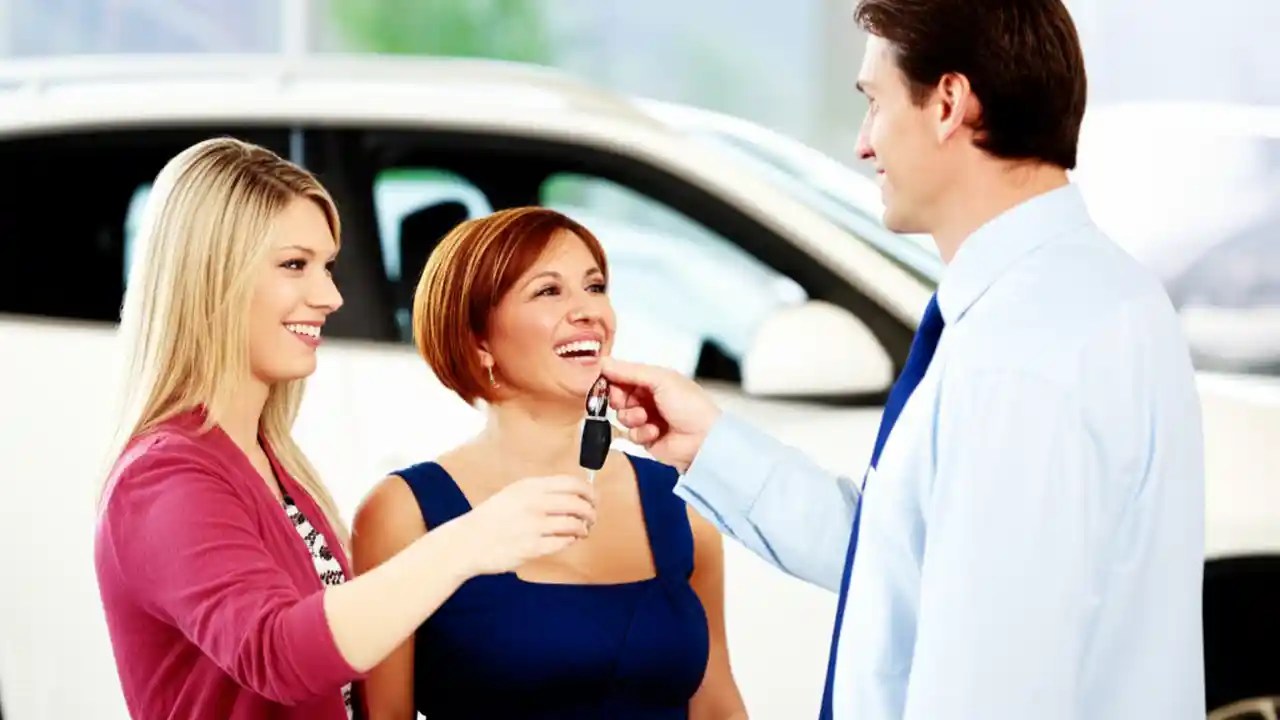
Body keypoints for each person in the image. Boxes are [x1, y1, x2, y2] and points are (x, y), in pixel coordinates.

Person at [598, 1, 1206, 718]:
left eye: (874, 102)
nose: (863, 143)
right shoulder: (1098, 295)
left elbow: (988, 691)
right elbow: (916, 560)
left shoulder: (1019, 355)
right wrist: (714, 450)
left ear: (948, 102)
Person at [93, 138, 596, 720]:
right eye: (294, 265)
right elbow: (278, 654)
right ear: (212, 276)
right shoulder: (165, 476)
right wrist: (469, 542)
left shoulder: (267, 460)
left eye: (327, 266)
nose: (330, 296)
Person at [352, 207, 747, 720]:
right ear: (479, 342)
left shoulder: (680, 507)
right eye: (548, 291)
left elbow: (718, 708)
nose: (588, 311)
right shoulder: (403, 514)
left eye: (595, 286)